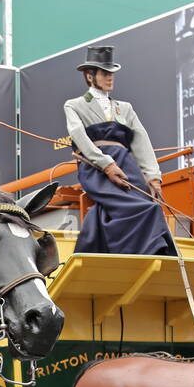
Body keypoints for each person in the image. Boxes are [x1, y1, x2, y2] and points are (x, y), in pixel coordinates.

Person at [64, 45, 176, 256]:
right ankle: (127, 251)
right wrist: (106, 164)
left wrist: (153, 177)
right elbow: (79, 136)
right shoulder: (74, 105)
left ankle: (149, 253)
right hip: (95, 167)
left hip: (127, 165)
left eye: (112, 73)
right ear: (90, 76)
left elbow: (141, 141)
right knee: (135, 208)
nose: (110, 78)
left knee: (149, 206)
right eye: (105, 73)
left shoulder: (124, 108)